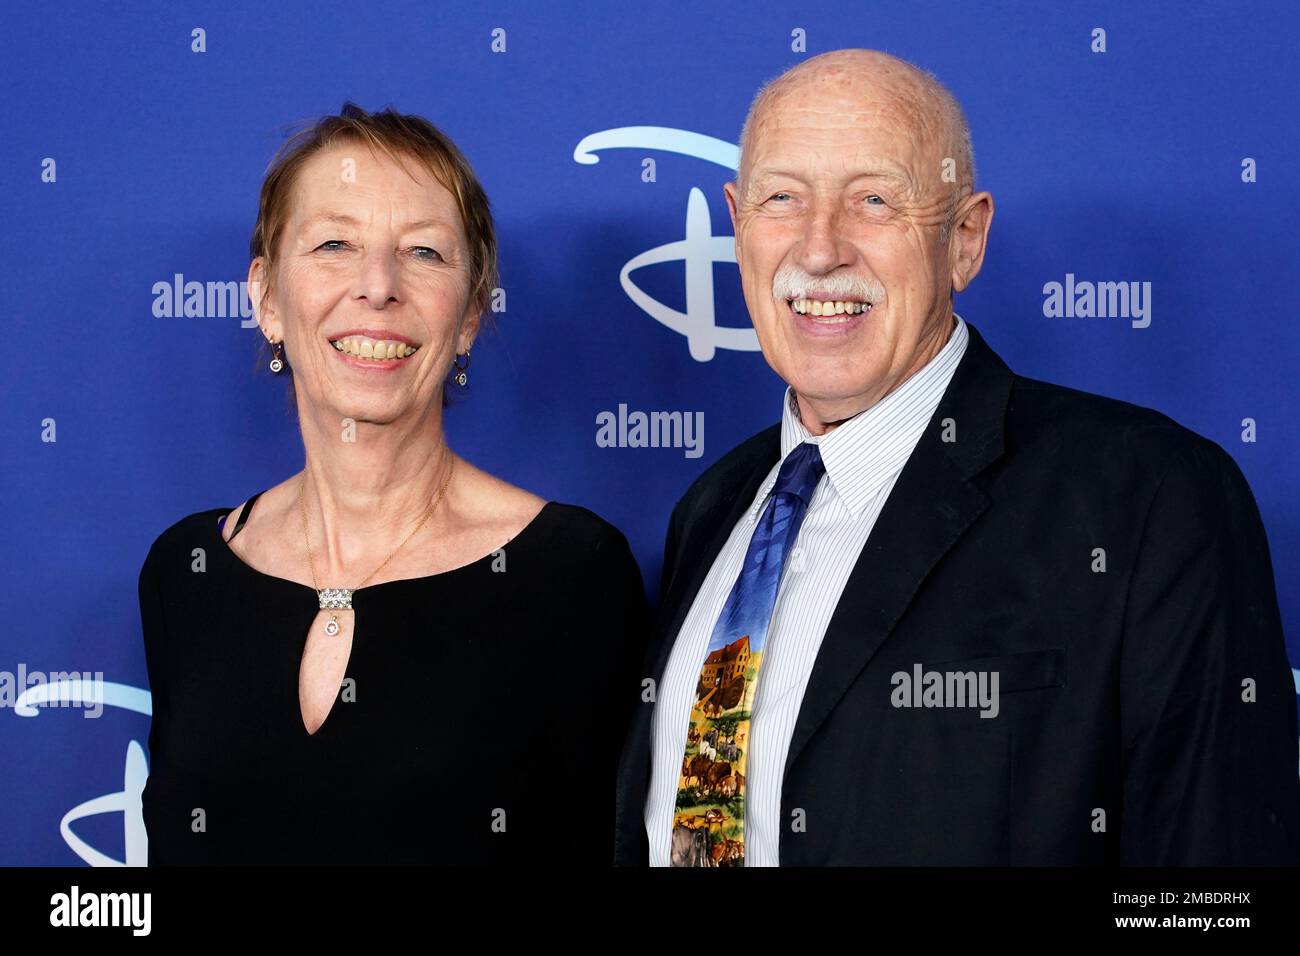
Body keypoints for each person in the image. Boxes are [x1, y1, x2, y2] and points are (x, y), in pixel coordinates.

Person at [615, 49, 1300, 866]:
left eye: (874, 200)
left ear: (964, 240)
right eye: (781, 199)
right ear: (738, 224)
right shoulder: (715, 505)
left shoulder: (1149, 496)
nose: (820, 247)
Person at [139, 102, 648, 865]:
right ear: (268, 298)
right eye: (335, 244)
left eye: (423, 253)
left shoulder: (572, 573)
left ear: (471, 313)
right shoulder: (187, 572)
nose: (377, 287)